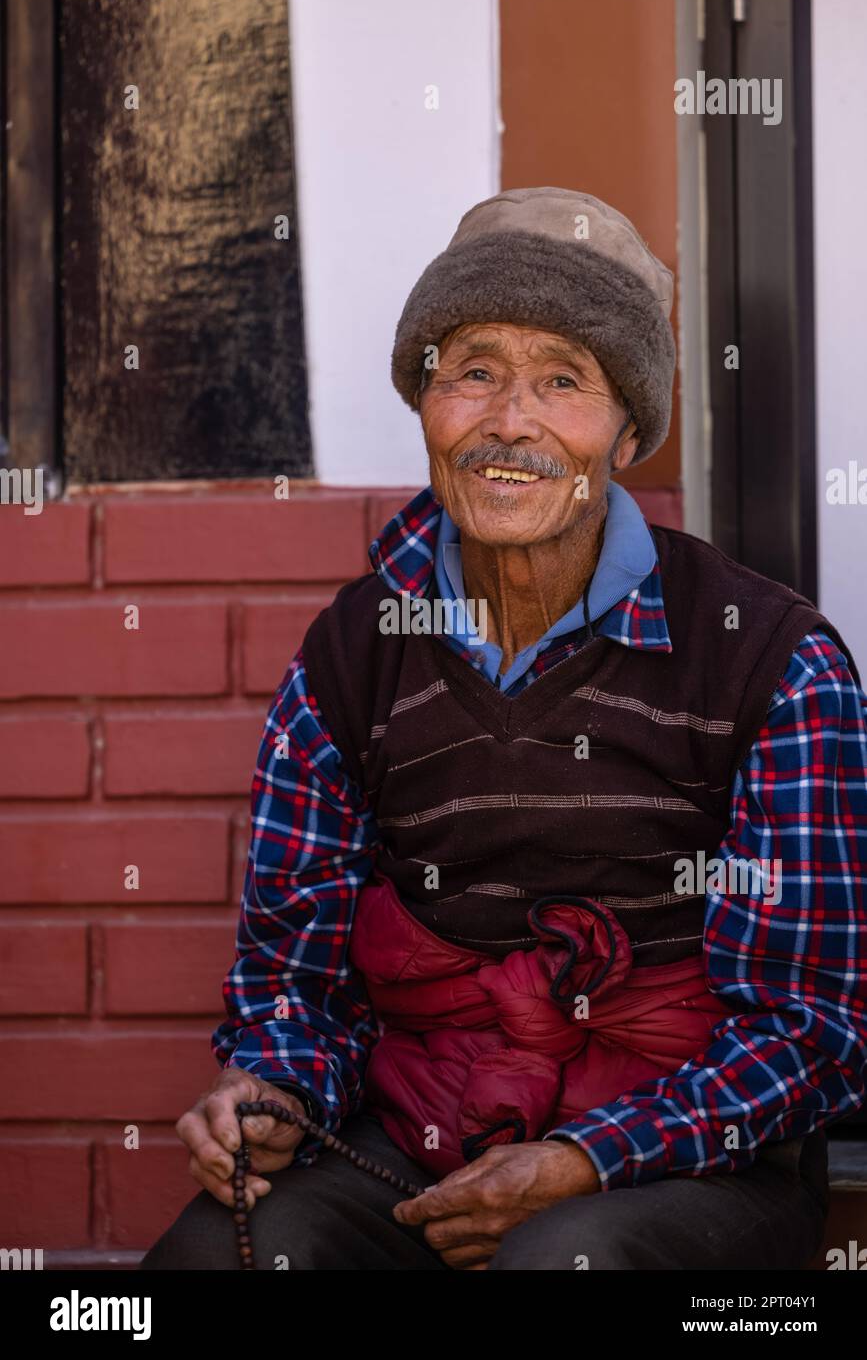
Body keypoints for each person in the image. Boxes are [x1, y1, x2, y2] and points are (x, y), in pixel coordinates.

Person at [140, 187, 867, 1271]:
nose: (510, 423)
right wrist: (272, 1089)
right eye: (471, 370)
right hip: (415, 1135)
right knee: (225, 1260)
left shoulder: (766, 660)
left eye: (564, 380)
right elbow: (300, 983)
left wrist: (582, 1159)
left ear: (627, 428)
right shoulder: (353, 657)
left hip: (682, 1164)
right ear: (424, 400)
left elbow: (807, 1033)